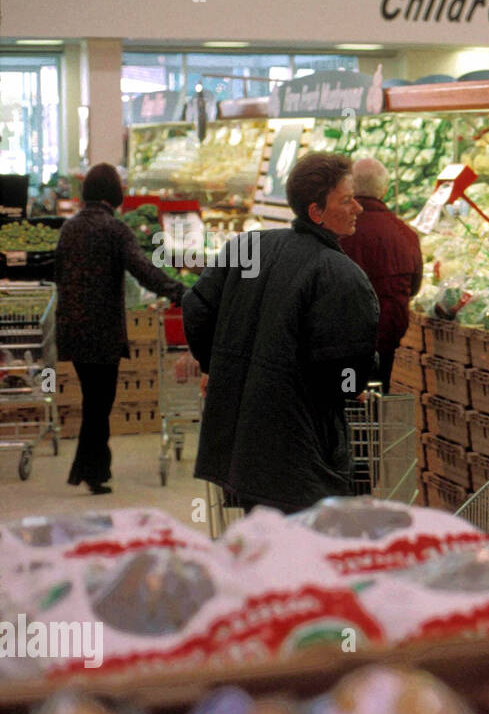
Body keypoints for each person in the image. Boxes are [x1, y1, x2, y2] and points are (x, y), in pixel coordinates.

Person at [183, 152, 379, 513]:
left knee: (260, 540)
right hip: (299, 449)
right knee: (301, 549)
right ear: (316, 212)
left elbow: (196, 308)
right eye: (347, 199)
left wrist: (216, 365)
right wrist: (355, 388)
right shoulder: (340, 274)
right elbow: (347, 362)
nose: (359, 208)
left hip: (240, 442)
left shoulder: (247, 248)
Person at [54, 163, 187, 495]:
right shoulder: (114, 229)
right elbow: (143, 271)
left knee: (93, 399)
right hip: (102, 330)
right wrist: (178, 291)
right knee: (100, 401)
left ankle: (94, 468)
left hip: (71, 327)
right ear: (114, 193)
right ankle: (88, 470)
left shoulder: (69, 228)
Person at [338, 157, 424, 392]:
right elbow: (414, 288)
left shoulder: (336, 228)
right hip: (384, 338)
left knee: (341, 408)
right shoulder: (406, 234)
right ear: (385, 190)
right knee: (375, 405)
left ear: (350, 188)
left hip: (338, 339)